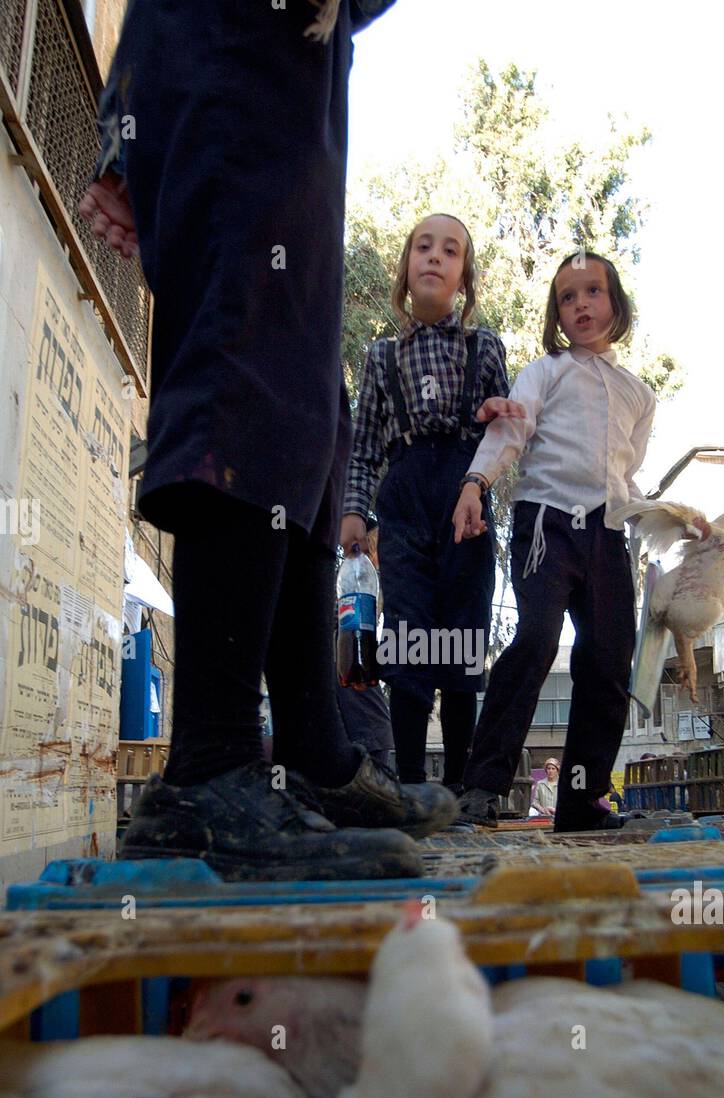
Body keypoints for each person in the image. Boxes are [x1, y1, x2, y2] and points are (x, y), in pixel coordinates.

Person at [78, 0, 454, 881]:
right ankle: (207, 768)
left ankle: (313, 756)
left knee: (308, 401)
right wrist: (127, 125)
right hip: (233, 43)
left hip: (281, 64)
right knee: (251, 353)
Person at [453, 251, 656, 832]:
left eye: (593, 291)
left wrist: (665, 518)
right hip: (545, 522)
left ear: (615, 301)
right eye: (568, 297)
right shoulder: (546, 371)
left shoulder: (639, 395)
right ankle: (480, 787)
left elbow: (623, 472)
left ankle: (581, 801)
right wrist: (476, 481)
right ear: (556, 314)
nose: (582, 304)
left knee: (608, 660)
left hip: (609, 533)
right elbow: (511, 429)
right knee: (539, 637)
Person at [340, 213, 516, 794]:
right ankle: (413, 785)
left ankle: (464, 788)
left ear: (464, 279)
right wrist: (355, 513)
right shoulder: (381, 356)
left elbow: (505, 434)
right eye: (423, 247)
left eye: (450, 251)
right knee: (408, 642)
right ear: (405, 270)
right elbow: (364, 450)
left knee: (464, 645)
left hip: (467, 504)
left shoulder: (485, 347)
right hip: (406, 508)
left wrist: (492, 437)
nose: (435, 258)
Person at [335, 521, 395, 770]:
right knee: (372, 728)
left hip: (354, 660)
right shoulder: (354, 572)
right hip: (343, 657)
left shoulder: (372, 575)